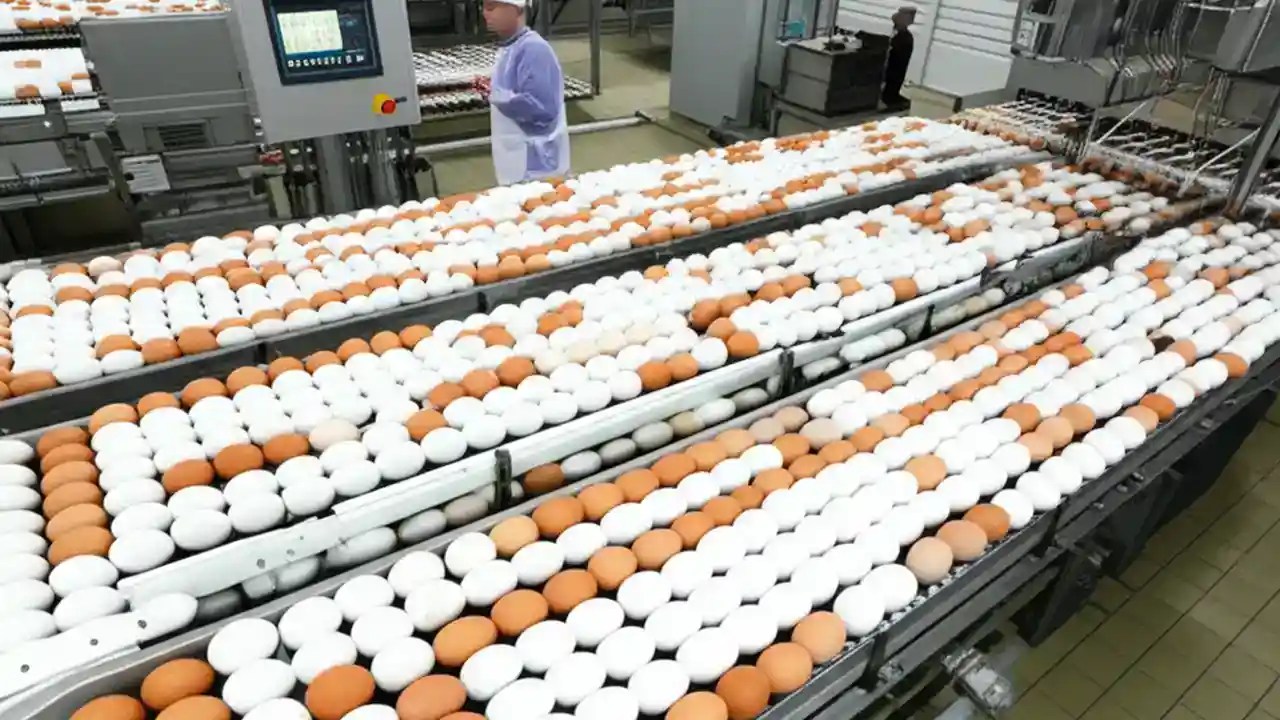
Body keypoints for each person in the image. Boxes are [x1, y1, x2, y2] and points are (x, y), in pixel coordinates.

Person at [474, 0, 570, 185]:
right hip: (518, 163)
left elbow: (541, 109)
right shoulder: (511, 48)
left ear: (516, 9)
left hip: (538, 169)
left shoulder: (534, 49)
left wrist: (496, 95)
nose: (485, 13)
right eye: (483, 7)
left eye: (492, 7)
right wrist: (492, 89)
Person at [881, 6, 916, 111]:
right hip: (895, 61)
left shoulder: (905, 36)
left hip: (898, 61)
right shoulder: (899, 34)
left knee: (896, 76)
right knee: (892, 77)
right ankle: (889, 96)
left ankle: (890, 97)